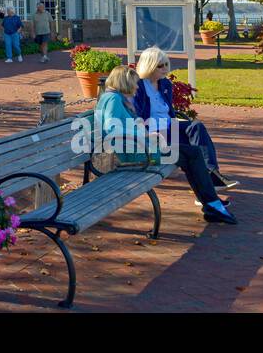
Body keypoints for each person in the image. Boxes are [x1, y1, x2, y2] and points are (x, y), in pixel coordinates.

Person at [96, 67, 237, 225]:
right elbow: (111, 129)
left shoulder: (116, 98)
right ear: (125, 82)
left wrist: (146, 134)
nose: (137, 87)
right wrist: (144, 135)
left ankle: (211, 205)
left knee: (191, 154)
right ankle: (212, 205)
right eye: (135, 84)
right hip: (136, 154)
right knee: (192, 154)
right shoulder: (113, 99)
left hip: (141, 148)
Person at [134, 46, 237, 189]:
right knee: (193, 153)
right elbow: (136, 115)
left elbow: (169, 111)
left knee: (196, 127)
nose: (165, 69)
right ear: (149, 65)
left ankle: (211, 173)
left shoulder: (165, 84)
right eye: (160, 66)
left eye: (166, 64)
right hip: (154, 134)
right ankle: (209, 183)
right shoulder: (138, 87)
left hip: (170, 127)